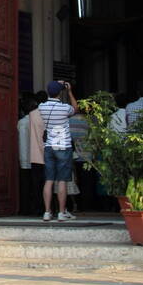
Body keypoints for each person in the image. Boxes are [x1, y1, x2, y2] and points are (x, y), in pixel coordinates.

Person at [37, 79, 79, 222]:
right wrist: (69, 91)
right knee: (62, 181)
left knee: (48, 180)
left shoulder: (42, 107)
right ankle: (61, 212)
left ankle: (47, 212)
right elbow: (76, 108)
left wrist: (57, 84)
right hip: (63, 146)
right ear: (59, 93)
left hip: (49, 146)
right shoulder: (64, 108)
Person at [28, 90, 47, 216]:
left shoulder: (32, 114)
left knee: (36, 185)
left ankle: (37, 208)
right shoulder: (48, 114)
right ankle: (49, 208)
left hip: (34, 154)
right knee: (48, 183)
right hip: (48, 153)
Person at [18, 96, 33, 215]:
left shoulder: (23, 122)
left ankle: (26, 208)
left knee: (26, 185)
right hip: (33, 157)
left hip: (25, 158)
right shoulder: (32, 121)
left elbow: (23, 142)